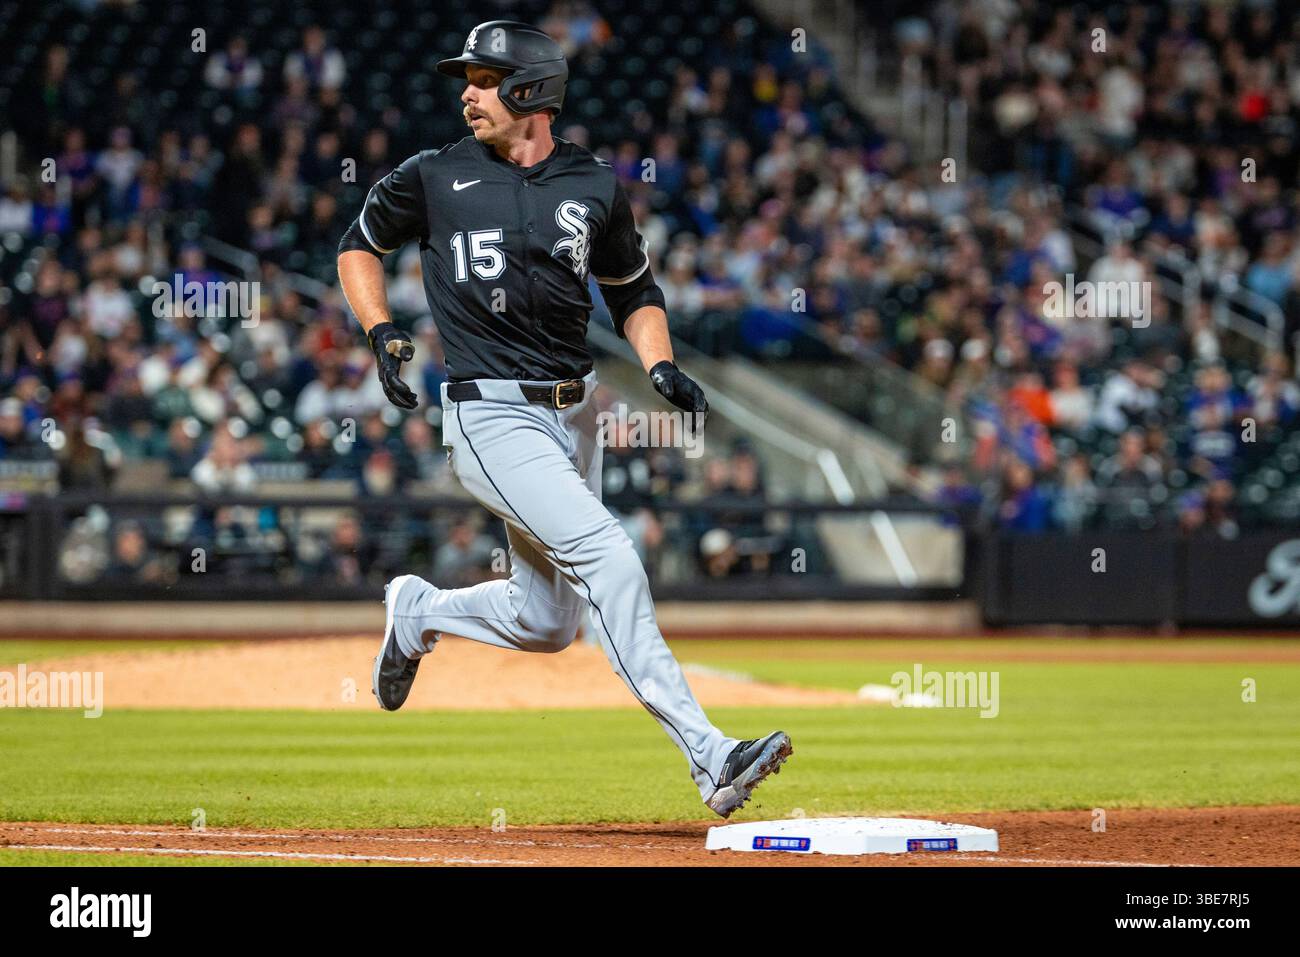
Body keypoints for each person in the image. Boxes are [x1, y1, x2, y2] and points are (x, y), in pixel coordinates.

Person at [336, 21, 790, 818]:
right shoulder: (435, 174)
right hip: (490, 413)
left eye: (484, 78)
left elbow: (634, 289)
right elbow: (359, 244)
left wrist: (658, 364)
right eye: (468, 79)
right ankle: (711, 755)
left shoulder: (592, 183)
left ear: (531, 90)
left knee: (546, 620)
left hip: (574, 415)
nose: (468, 93)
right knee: (611, 555)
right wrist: (379, 329)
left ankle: (418, 611)